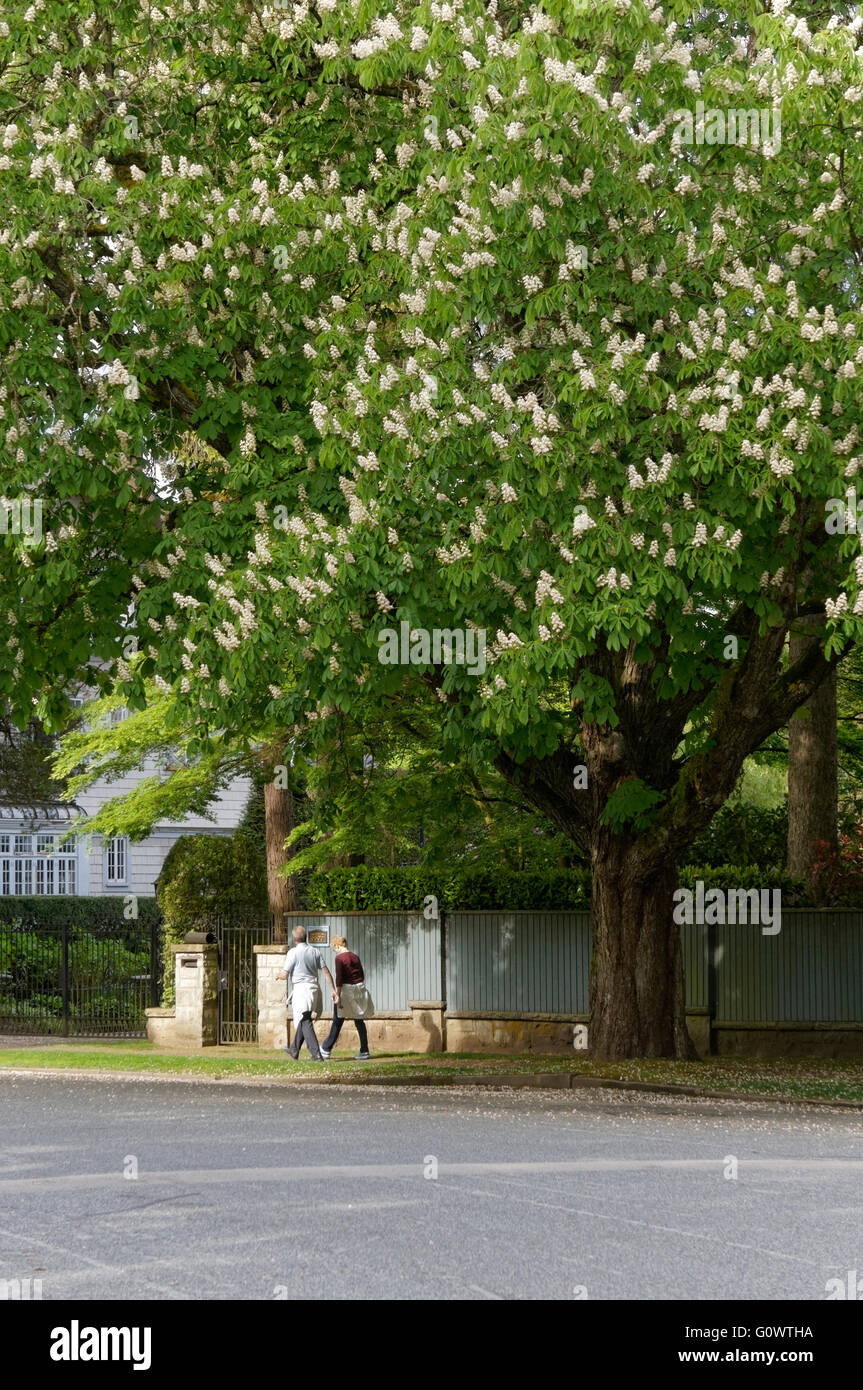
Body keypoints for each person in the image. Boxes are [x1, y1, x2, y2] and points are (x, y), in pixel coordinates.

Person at [277, 926, 338, 1061]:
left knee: (305, 1020)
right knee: (304, 1018)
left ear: (294, 938)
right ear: (306, 937)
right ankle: (294, 1049)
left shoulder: (293, 952)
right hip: (314, 989)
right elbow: (326, 972)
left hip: (301, 990)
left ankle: (316, 1054)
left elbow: (285, 975)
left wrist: (277, 975)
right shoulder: (315, 951)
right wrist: (333, 990)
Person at [320, 936, 372, 1060]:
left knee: (338, 1019)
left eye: (334, 948)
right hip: (359, 989)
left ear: (337, 946)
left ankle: (326, 1048)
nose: (335, 951)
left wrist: (337, 995)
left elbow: (339, 978)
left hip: (347, 991)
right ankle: (364, 1050)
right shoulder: (355, 957)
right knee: (359, 1020)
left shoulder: (339, 958)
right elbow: (362, 975)